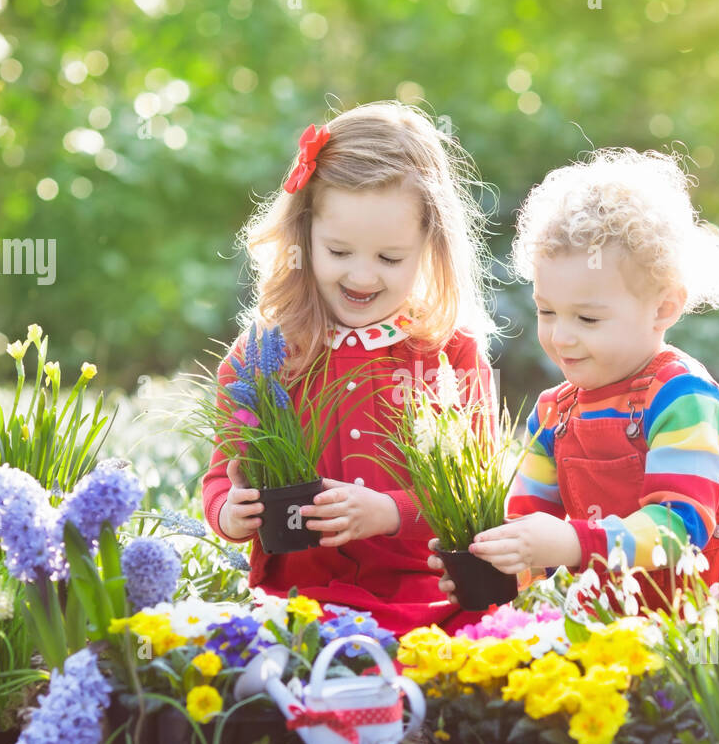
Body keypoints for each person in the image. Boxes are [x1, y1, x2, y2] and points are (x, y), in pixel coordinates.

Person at [202, 101, 501, 636]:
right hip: (298, 602)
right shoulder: (265, 355)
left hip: (425, 602)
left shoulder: (449, 356)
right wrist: (230, 512)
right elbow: (223, 473)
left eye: (389, 259)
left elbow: (477, 495)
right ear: (303, 237)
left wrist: (389, 511)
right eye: (339, 251)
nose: (362, 276)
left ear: (430, 249)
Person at [430, 147, 719, 613]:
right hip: (610, 625)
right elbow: (529, 525)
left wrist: (572, 541)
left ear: (663, 308)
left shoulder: (683, 397)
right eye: (547, 311)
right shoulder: (553, 414)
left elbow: (680, 527)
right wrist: (498, 564)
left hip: (702, 625)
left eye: (587, 318)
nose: (561, 336)